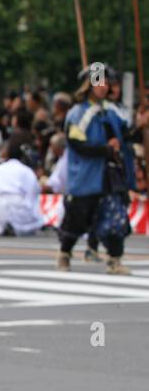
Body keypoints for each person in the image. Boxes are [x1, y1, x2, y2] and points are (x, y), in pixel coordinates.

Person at [60, 63, 133, 274]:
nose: (104, 86)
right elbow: (77, 143)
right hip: (86, 175)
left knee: (115, 216)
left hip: (109, 174)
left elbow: (126, 134)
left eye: (106, 82)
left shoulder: (111, 111)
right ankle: (65, 253)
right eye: (99, 81)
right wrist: (104, 149)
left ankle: (115, 259)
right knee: (78, 219)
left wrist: (139, 124)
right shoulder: (77, 113)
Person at [0, 131, 44, 237]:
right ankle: (15, 226)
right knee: (38, 221)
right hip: (19, 205)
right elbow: (33, 192)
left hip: (0, 207)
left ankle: (4, 225)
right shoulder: (26, 171)